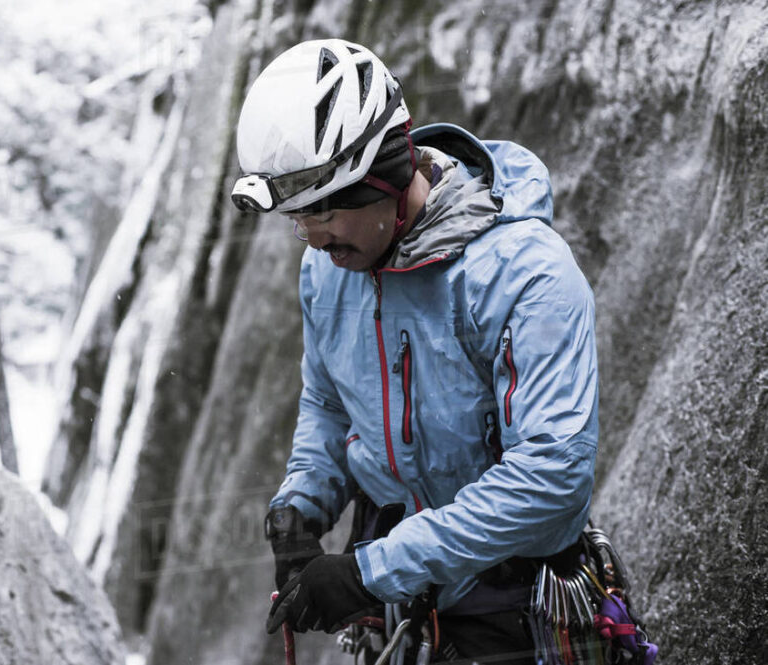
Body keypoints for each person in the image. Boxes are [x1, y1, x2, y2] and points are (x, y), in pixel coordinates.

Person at [231, 39, 598, 664]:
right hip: (401, 608)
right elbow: (330, 403)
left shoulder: (522, 272)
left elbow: (551, 477)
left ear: (387, 176)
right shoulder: (329, 270)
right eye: (297, 217)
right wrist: (301, 504)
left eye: (323, 211)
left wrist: (367, 572)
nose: (313, 237)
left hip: (513, 605)